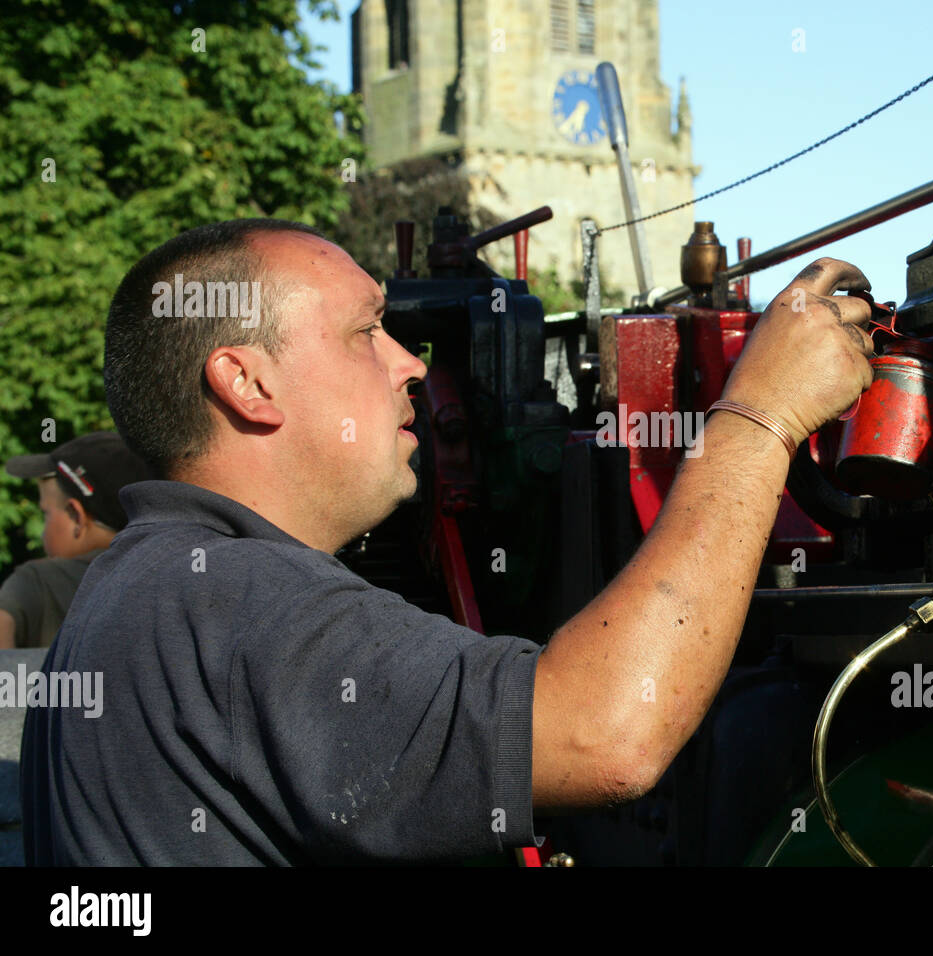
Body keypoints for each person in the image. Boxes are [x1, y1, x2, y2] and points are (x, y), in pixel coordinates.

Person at [21, 219, 875, 864]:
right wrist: (760, 418)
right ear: (247, 382)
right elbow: (608, 735)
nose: (413, 365)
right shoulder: (239, 601)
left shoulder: (138, 587)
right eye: (367, 332)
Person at [0, 432, 154, 649]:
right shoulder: (166, 577)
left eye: (46, 513)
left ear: (76, 516)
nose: (42, 534)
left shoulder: (35, 584)